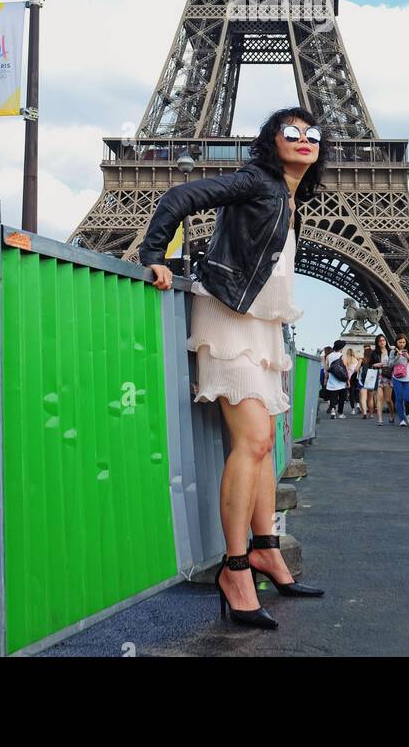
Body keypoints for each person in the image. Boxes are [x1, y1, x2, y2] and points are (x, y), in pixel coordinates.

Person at [139, 106, 327, 629]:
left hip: (261, 324)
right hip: (227, 316)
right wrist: (155, 254)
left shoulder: (288, 197)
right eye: (292, 133)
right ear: (271, 141)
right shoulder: (257, 181)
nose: (304, 140)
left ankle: (266, 548)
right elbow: (179, 196)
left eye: (313, 135)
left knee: (264, 442)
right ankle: (235, 565)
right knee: (252, 442)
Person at [388, 334, 409, 426]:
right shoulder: (393, 352)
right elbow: (389, 365)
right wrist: (397, 357)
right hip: (396, 378)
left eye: (403, 342)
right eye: (400, 342)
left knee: (408, 398)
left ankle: (407, 414)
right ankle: (402, 419)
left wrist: (408, 357)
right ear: (396, 342)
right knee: (399, 399)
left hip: (408, 378)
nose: (402, 344)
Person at [372, 333, 395, 425]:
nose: (382, 342)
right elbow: (370, 364)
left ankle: (392, 415)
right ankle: (380, 419)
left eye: (383, 340)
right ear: (377, 342)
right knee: (379, 399)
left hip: (388, 377)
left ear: (386, 341)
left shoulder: (391, 351)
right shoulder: (374, 353)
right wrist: (375, 365)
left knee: (388, 400)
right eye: (380, 341)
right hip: (378, 377)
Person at [324, 339, 349, 417]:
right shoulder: (342, 356)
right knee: (342, 397)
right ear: (341, 348)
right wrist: (348, 380)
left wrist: (325, 379)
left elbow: (326, 369)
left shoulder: (329, 356)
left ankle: (333, 411)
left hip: (332, 380)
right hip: (341, 381)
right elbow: (346, 369)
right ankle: (340, 413)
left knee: (333, 397)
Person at [358, 346, 377, 417]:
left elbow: (356, 369)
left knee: (363, 397)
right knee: (370, 397)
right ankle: (371, 414)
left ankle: (365, 412)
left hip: (363, 378)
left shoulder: (363, 359)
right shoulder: (374, 360)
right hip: (371, 378)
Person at [345, 346, 361, 413]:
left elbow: (346, 370)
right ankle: (358, 405)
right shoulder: (356, 360)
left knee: (351, 394)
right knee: (356, 393)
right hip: (356, 378)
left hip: (349, 378)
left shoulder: (346, 360)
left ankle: (353, 409)